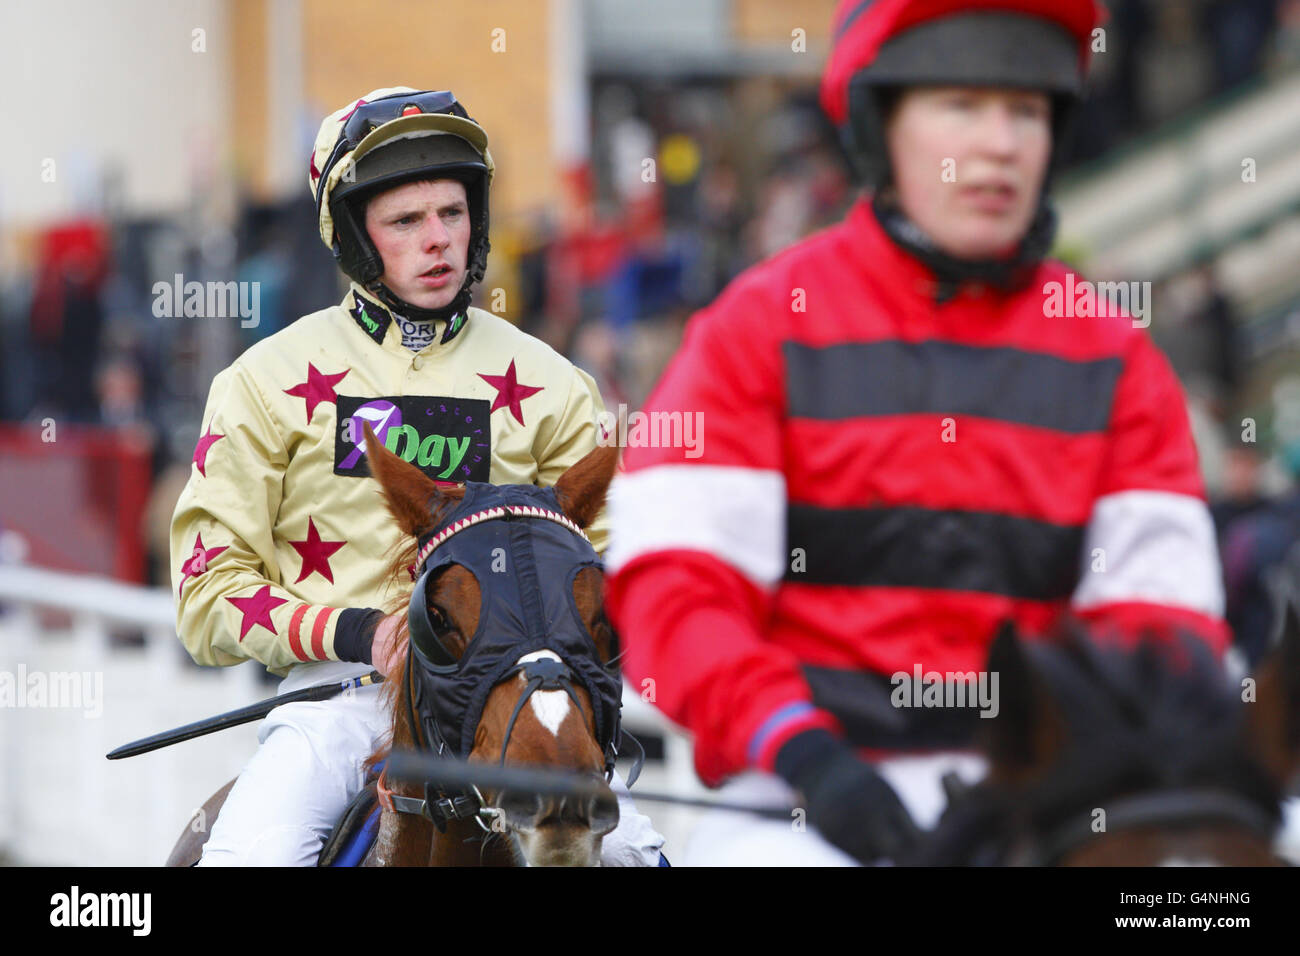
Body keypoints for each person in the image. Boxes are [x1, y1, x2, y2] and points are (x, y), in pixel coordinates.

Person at [605, 0, 1228, 866]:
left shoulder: (1117, 356)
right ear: (879, 124)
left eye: (1026, 109)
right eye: (962, 105)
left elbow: (1161, 623)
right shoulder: (755, 330)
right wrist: (807, 753)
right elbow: (677, 596)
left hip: (1051, 799)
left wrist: (1063, 775)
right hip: (799, 796)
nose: (1001, 143)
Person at [170, 87, 663, 866]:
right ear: (358, 238)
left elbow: (620, 579)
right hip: (338, 703)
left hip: (517, 709)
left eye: (453, 214)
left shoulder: (557, 386)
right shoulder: (259, 383)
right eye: (406, 221)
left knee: (645, 858)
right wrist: (360, 630)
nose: (438, 241)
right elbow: (204, 592)